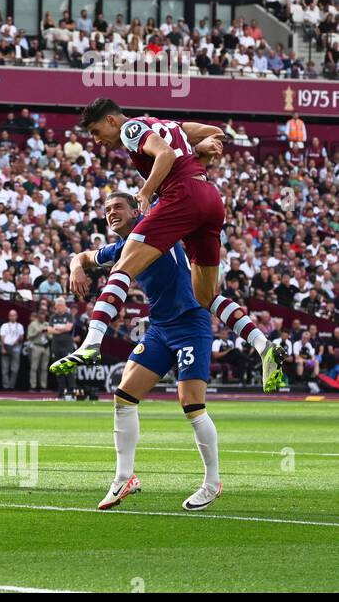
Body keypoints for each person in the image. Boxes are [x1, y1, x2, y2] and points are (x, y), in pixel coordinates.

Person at [53, 99, 285, 393]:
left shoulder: (130, 129)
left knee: (123, 266)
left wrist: (146, 192)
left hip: (181, 196)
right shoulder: (171, 125)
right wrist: (209, 144)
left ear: (111, 120)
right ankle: (263, 345)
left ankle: (91, 342)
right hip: (210, 200)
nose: (98, 140)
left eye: (97, 131)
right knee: (205, 296)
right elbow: (216, 132)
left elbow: (163, 155)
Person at [68, 192, 223, 512]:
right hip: (160, 328)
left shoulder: (157, 229)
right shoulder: (124, 247)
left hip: (191, 322)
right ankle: (124, 477)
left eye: (118, 208)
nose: (111, 213)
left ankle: (212, 482)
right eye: (107, 209)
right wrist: (75, 265)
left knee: (192, 403)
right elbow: (84, 257)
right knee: (123, 395)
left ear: (136, 210)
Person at [48, 297, 76, 400]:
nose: (60, 307)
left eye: (61, 305)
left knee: (69, 368)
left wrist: (57, 329)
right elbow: (49, 330)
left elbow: (69, 328)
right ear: (55, 307)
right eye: (58, 305)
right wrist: (62, 329)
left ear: (65, 306)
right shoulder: (53, 317)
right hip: (56, 346)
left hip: (67, 345)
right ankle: (61, 392)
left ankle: (71, 391)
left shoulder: (69, 316)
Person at [0, 309, 25, 390]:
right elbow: (2, 337)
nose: (13, 316)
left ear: (16, 316)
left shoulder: (20, 326)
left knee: (15, 369)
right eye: (11, 315)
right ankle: (5, 386)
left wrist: (17, 340)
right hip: (6, 347)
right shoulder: (4, 325)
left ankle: (11, 386)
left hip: (16, 348)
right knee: (5, 369)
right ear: (9, 316)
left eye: (14, 315)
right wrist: (2, 348)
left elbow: (22, 337)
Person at [26, 310, 51, 391]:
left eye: (44, 315)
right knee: (34, 367)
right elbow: (29, 337)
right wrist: (38, 332)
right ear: (38, 315)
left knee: (44, 368)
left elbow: (51, 337)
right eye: (41, 314)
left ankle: (43, 386)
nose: (43, 316)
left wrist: (48, 333)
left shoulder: (47, 324)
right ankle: (32, 386)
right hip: (36, 346)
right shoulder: (33, 324)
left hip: (45, 347)